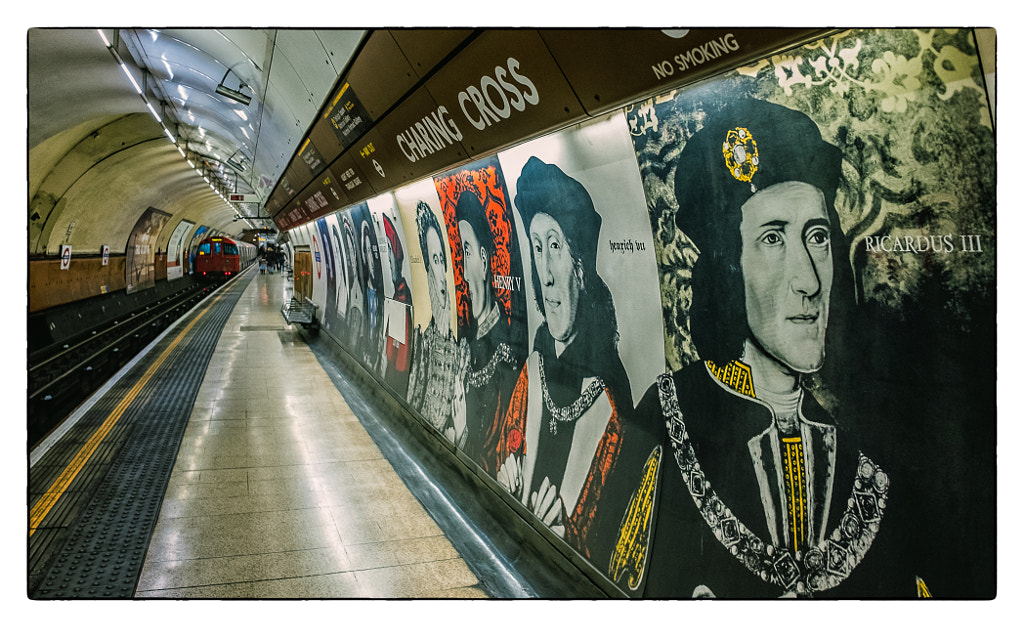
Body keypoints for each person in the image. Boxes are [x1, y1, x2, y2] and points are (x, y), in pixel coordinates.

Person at [615, 98, 900, 598]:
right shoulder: (668, 418)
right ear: (729, 267)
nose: (809, 281)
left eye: (816, 237)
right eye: (772, 239)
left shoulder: (864, 450)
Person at [493, 156, 633, 568]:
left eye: (556, 246)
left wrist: (569, 535)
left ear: (581, 267)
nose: (547, 274)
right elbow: (508, 442)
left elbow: (612, 532)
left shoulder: (611, 395)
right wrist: (508, 472)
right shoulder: (535, 365)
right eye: (538, 249)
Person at [450, 191, 523, 471]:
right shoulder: (467, 339)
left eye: (466, 252)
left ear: (484, 259)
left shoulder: (505, 349)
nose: (464, 273)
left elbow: (492, 457)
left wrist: (462, 432)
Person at [406, 202, 461, 436]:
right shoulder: (422, 345)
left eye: (441, 260)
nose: (439, 274)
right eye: (433, 261)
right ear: (427, 271)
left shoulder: (462, 351)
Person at [380, 214, 412, 393]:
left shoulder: (403, 295)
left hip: (398, 370)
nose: (389, 264)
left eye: (391, 258)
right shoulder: (395, 295)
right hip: (393, 363)